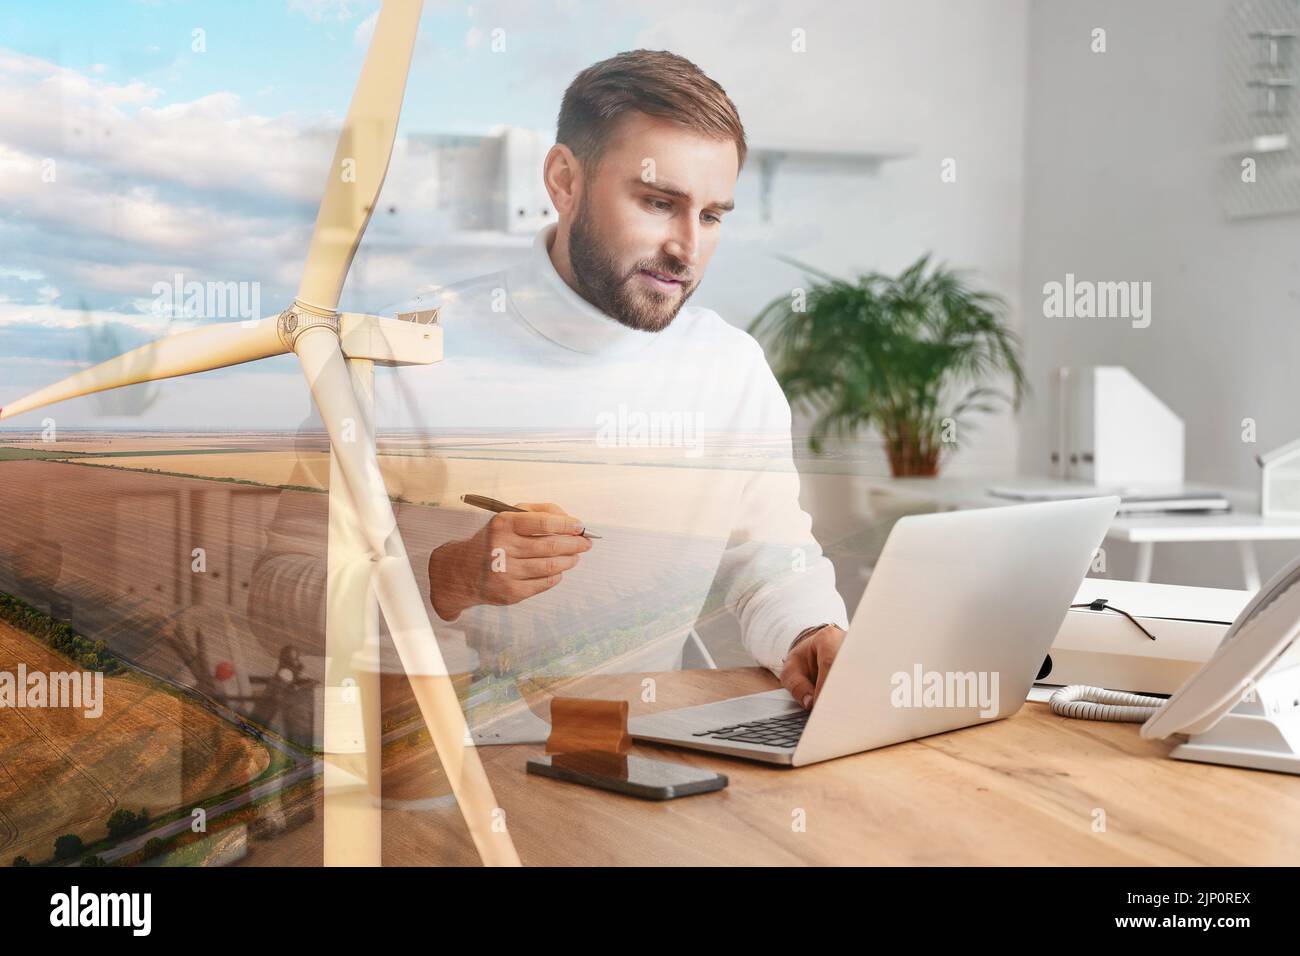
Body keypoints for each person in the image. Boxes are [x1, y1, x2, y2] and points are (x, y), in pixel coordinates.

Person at [389, 50, 848, 711]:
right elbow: (281, 587)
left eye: (712, 215)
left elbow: (770, 562)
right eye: (660, 203)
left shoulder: (730, 368)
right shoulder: (409, 348)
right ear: (563, 181)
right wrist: (452, 576)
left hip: (637, 758)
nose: (687, 250)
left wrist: (811, 629)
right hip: (439, 770)